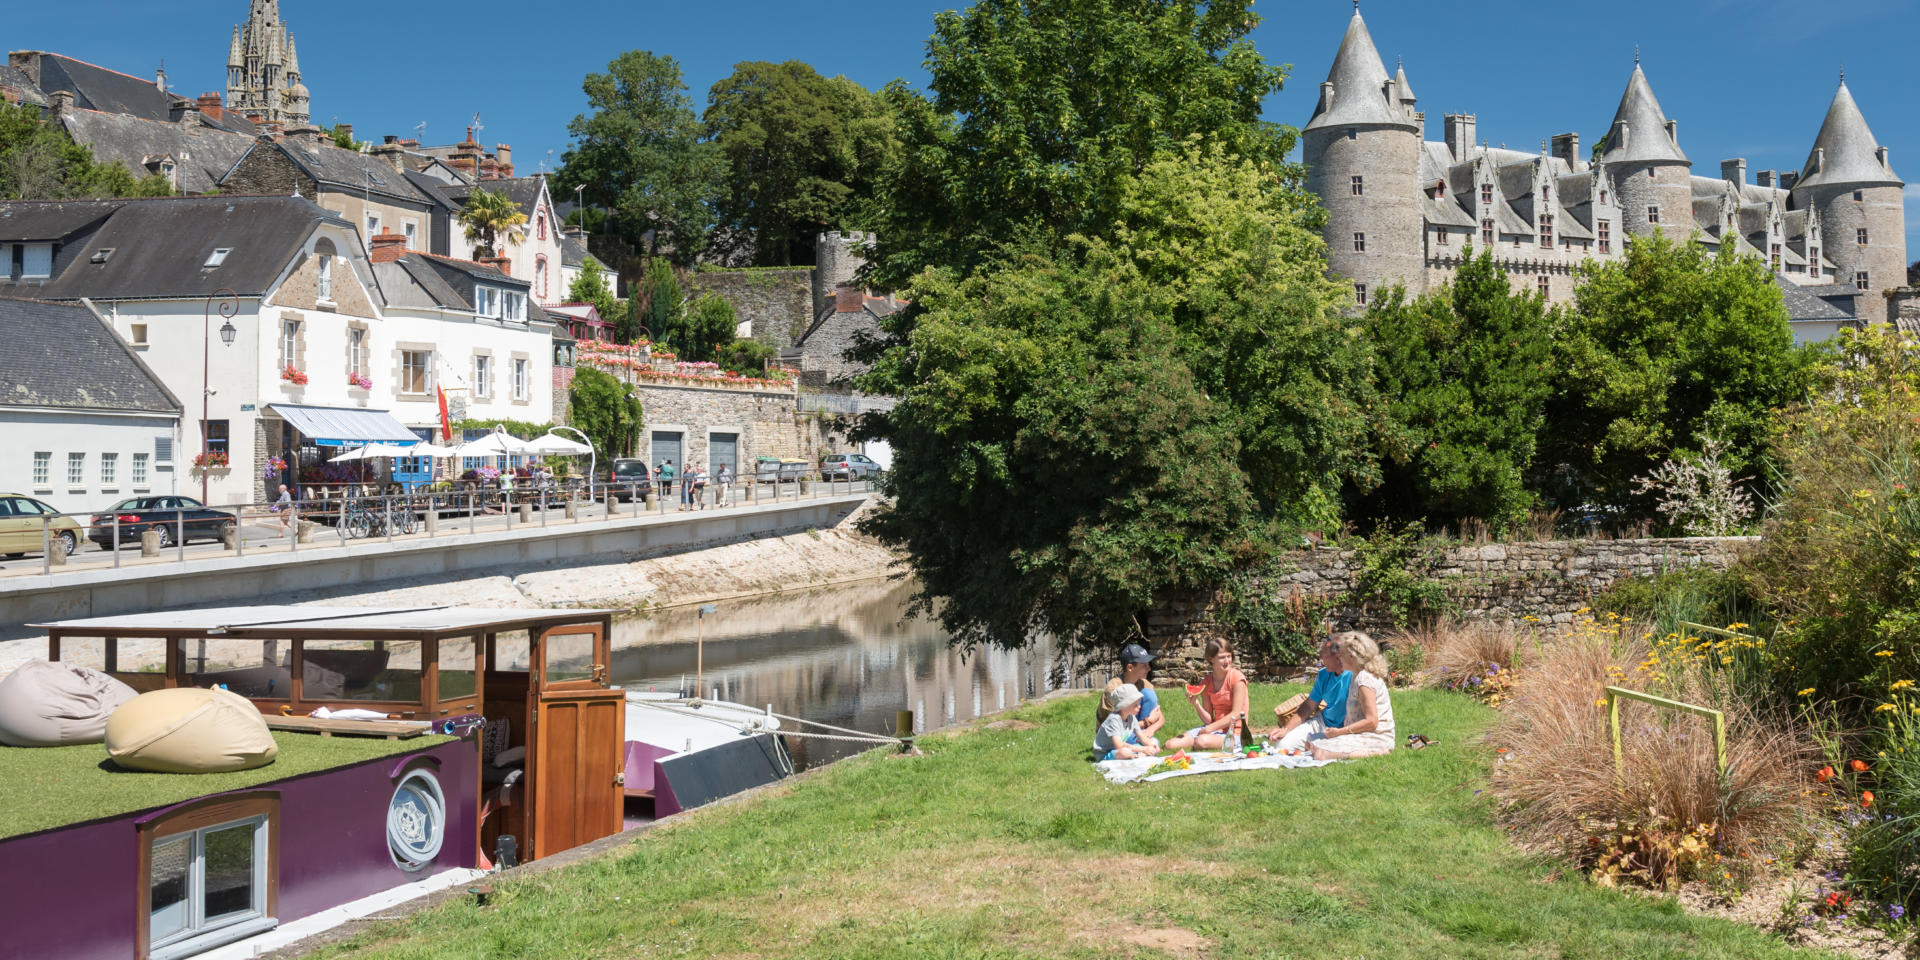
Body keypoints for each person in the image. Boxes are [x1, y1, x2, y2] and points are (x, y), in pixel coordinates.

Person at [1304, 632, 1397, 760]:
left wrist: (1339, 732)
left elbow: (1372, 722)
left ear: (1351, 657)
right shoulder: (1356, 676)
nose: (1339, 658)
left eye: (1341, 655)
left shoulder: (1364, 680)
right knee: (1310, 744)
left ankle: (1378, 752)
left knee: (1321, 754)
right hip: (1358, 734)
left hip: (1375, 737)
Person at [1165, 639, 1250, 752]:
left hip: (1236, 733)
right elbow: (1208, 719)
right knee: (1170, 745)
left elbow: (1237, 714)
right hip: (1214, 730)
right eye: (1222, 657)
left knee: (1201, 741)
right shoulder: (1206, 681)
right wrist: (1196, 704)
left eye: (1229, 656)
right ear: (1211, 659)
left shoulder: (1237, 678)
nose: (1227, 661)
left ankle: (1233, 744)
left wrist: (1210, 729)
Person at [1270, 638, 1353, 751]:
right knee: (1281, 745)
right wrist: (1285, 729)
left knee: (1327, 750)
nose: (1321, 659)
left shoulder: (1355, 676)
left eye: (1324, 655)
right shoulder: (1323, 674)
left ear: (1338, 657)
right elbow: (1309, 706)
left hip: (1348, 728)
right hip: (1322, 723)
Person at [1095, 643, 1165, 742]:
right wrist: (1147, 722)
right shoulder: (1113, 690)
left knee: (1149, 694)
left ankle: (1140, 741)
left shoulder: (1144, 684)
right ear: (1130, 667)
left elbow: (1160, 717)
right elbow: (1115, 726)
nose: (1149, 668)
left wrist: (1150, 730)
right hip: (1112, 738)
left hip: (1136, 730)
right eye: (1144, 665)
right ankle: (1137, 744)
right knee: (1154, 745)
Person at [1094, 683, 1159, 761]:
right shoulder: (1114, 720)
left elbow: (1142, 737)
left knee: (1154, 741)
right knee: (1125, 752)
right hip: (1106, 753)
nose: (1139, 706)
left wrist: (1152, 746)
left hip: (1120, 749)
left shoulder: (1131, 717)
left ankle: (1138, 756)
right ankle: (1140, 755)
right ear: (1124, 706)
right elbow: (1119, 746)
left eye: (1139, 703)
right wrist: (1143, 749)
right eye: (1135, 705)